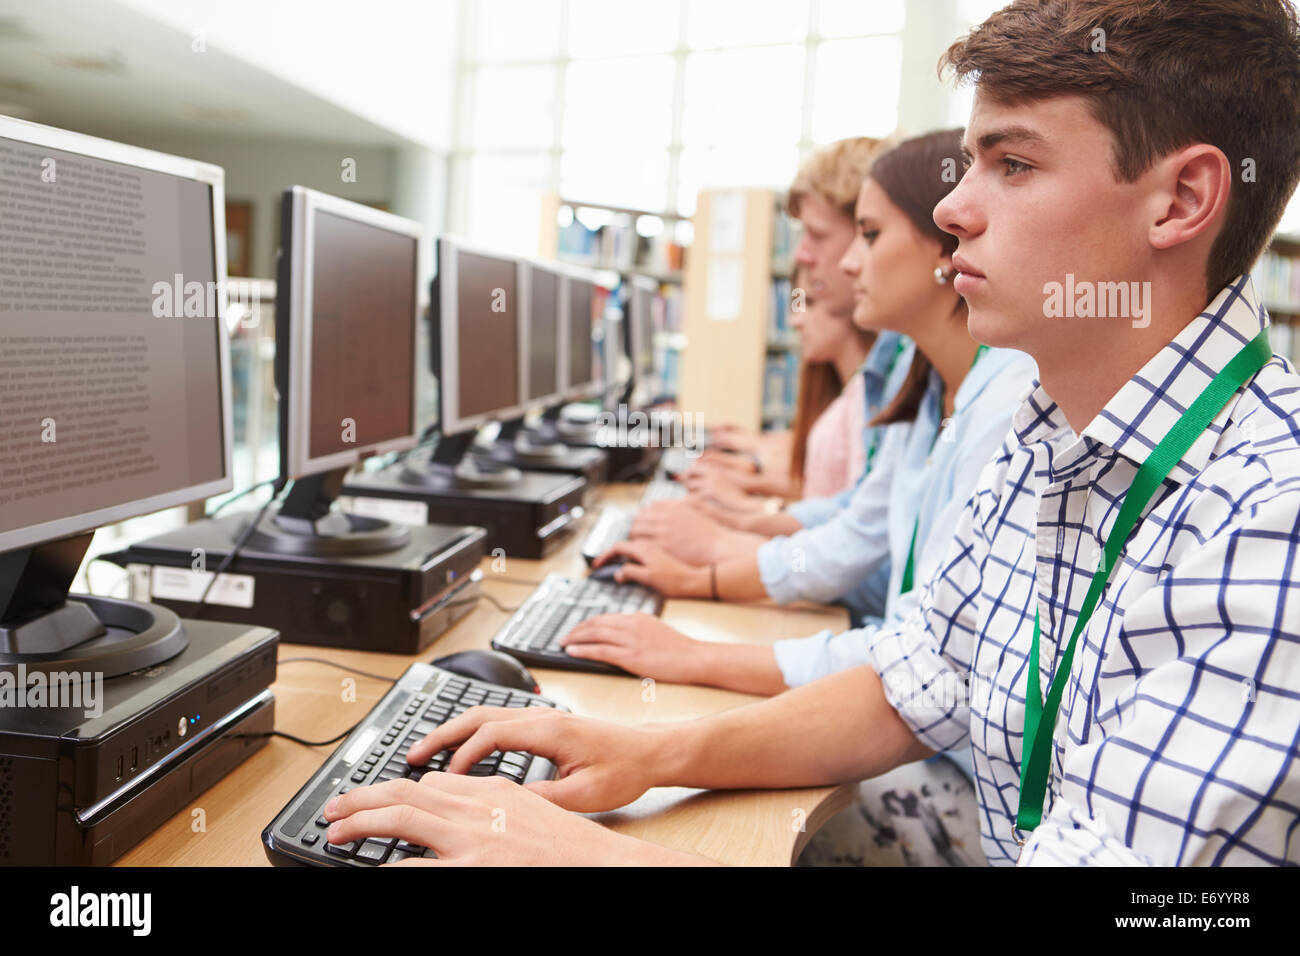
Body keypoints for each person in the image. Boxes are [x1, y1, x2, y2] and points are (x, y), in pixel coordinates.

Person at [323, 0, 1300, 866]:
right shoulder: (1049, 431)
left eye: (1012, 163)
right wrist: (646, 751)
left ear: (1179, 200)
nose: (954, 209)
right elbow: (917, 678)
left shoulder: (1269, 521)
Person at [568, 131, 1037, 702]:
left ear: (944, 247)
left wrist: (702, 614)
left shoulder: (1001, 404)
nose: (837, 261)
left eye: (864, 235)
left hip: (929, 717)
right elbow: (860, 526)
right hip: (897, 679)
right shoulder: (928, 377)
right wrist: (725, 542)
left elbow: (914, 644)